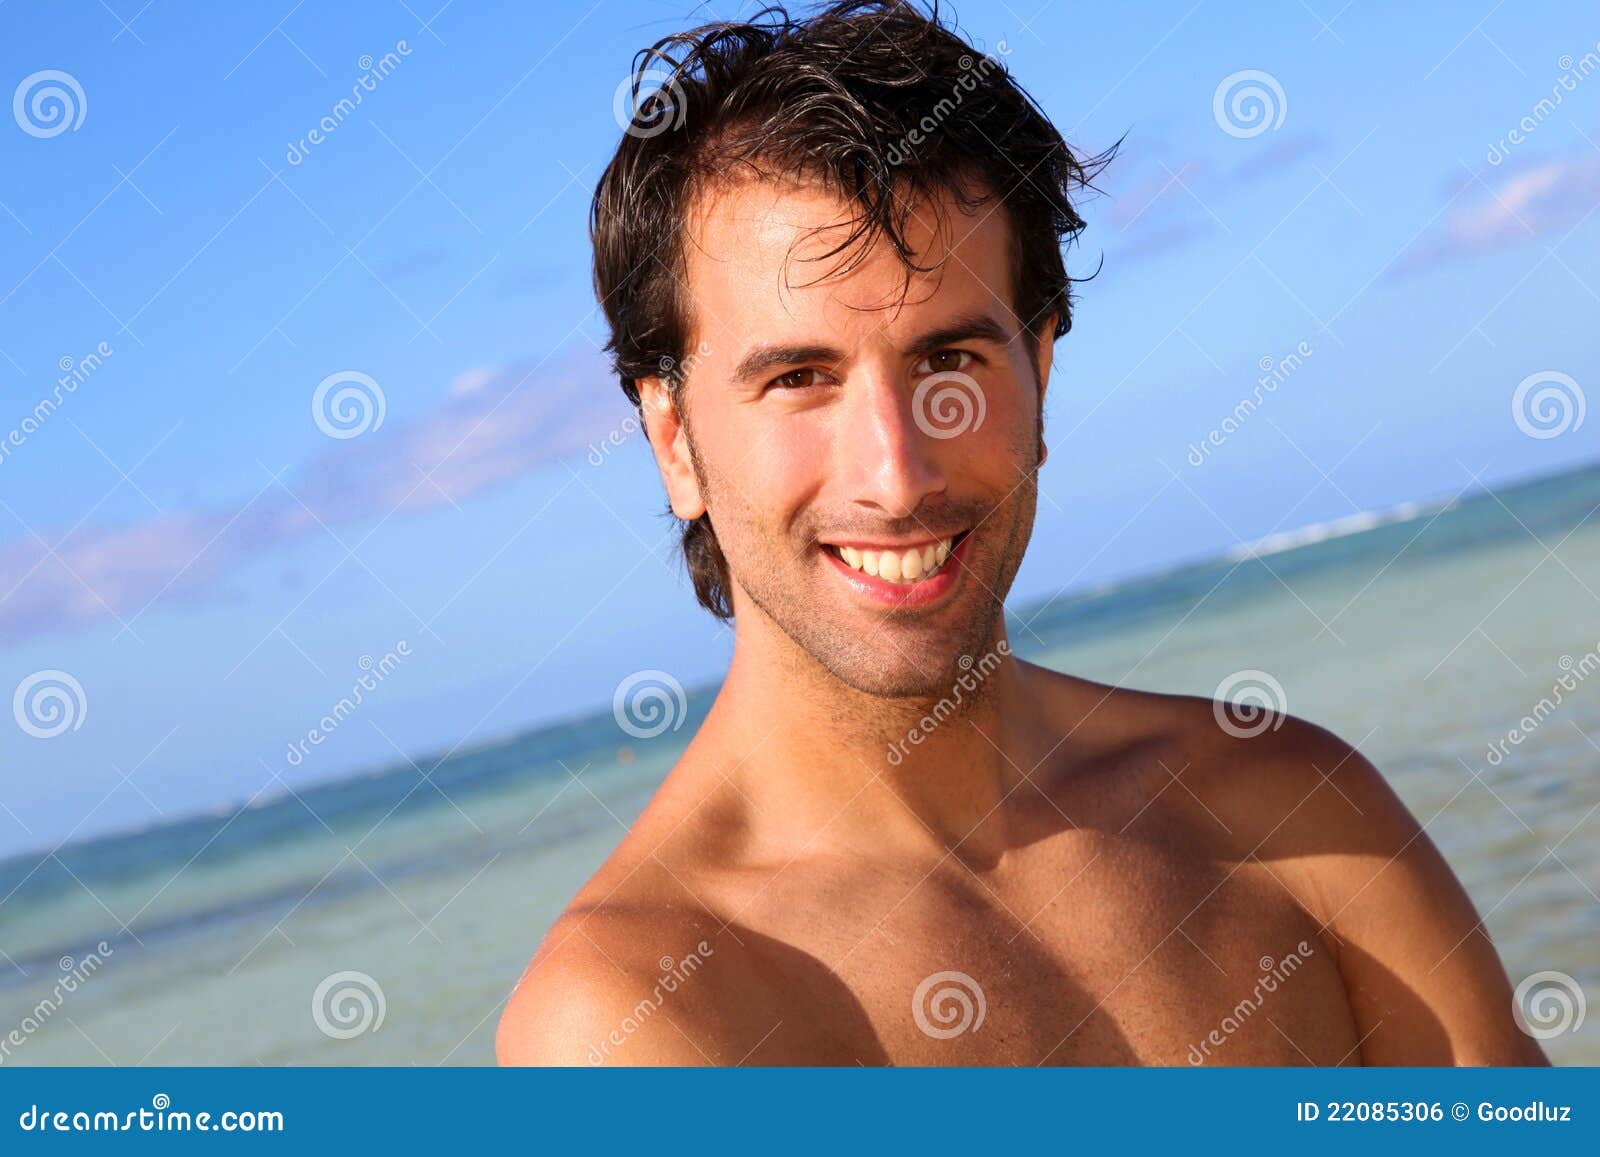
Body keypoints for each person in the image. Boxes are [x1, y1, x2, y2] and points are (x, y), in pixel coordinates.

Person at [497, 0, 1545, 1066]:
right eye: (800, 377)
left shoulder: (1292, 810)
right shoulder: (638, 1017)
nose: (896, 474)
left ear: (1039, 373)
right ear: (674, 439)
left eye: (949, 362)